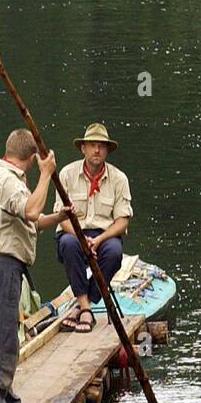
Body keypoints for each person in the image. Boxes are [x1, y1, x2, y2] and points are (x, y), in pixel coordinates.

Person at [0, 129, 63, 403]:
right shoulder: (6, 181)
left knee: (7, 340)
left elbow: (33, 219)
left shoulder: (11, 180)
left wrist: (59, 216)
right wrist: (47, 174)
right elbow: (31, 209)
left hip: (1, 267)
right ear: (33, 157)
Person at [53, 123, 132, 332]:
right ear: (83, 149)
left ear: (107, 150)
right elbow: (61, 217)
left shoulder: (119, 178)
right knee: (70, 244)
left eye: (101, 146)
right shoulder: (67, 174)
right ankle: (87, 309)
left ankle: (81, 304)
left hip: (104, 236)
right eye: (92, 145)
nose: (97, 150)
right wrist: (81, 238)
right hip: (73, 233)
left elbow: (122, 221)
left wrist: (98, 240)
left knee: (114, 253)